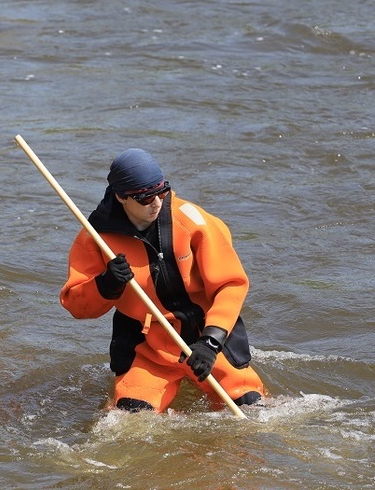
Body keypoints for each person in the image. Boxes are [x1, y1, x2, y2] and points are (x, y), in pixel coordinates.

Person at [60, 148, 265, 413]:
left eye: (161, 191)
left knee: (252, 408)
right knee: (130, 418)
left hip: (206, 338)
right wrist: (106, 283)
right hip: (147, 346)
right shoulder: (95, 238)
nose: (156, 202)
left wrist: (211, 341)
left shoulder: (193, 222)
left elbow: (231, 284)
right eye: (146, 197)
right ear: (121, 196)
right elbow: (77, 305)